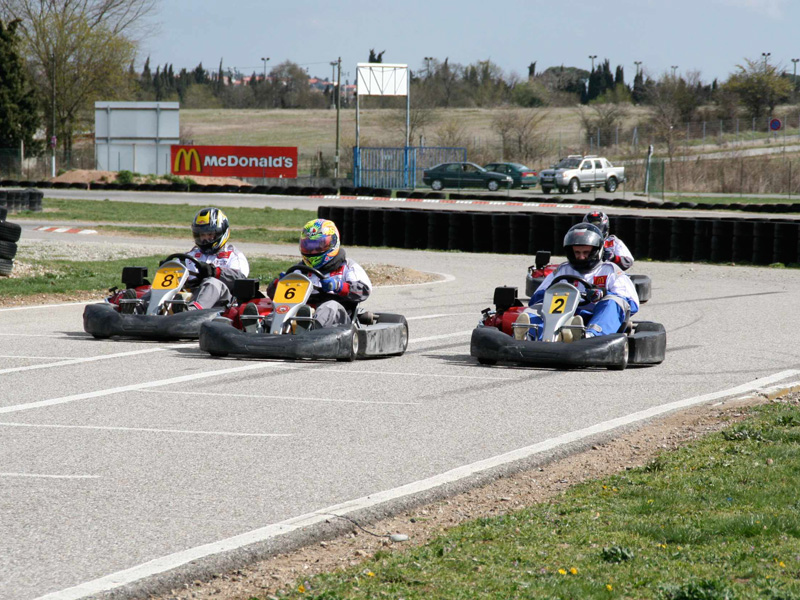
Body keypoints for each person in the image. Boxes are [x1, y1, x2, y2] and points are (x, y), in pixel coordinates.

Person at [514, 223, 639, 341]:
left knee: (613, 302)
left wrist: (602, 294)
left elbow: (630, 302)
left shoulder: (610, 271)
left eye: (585, 252)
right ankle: (531, 335)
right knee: (537, 307)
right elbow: (537, 297)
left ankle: (589, 336)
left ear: (597, 251)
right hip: (563, 317)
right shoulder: (563, 270)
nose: (581, 257)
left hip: (594, 316)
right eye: (577, 252)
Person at [121, 207, 249, 313]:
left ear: (221, 233)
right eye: (202, 235)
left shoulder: (234, 255)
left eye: (210, 234)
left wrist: (215, 272)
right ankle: (139, 307)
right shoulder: (193, 254)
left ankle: (191, 311)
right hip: (189, 294)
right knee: (168, 281)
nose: (205, 239)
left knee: (212, 282)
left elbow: (241, 278)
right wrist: (170, 269)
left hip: (221, 300)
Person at [264, 218, 372, 329]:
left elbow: (363, 290)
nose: (313, 251)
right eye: (309, 246)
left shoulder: (347, 266)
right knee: (280, 308)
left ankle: (309, 330)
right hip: (304, 312)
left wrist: (338, 286)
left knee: (330, 306)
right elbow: (276, 296)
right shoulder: (300, 270)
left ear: (333, 243)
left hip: (339, 321)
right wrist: (280, 284)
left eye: (319, 245)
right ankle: (264, 328)